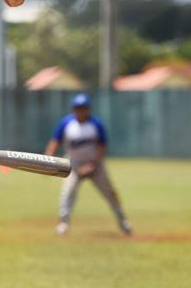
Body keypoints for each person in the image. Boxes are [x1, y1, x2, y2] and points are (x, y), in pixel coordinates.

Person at [44, 93, 132, 236]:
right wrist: (48, 160)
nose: (81, 111)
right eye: (78, 108)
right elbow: (55, 141)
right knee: (67, 192)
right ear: (73, 109)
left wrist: (94, 164)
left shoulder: (96, 124)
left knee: (110, 193)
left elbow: (102, 147)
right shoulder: (66, 123)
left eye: (83, 108)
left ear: (88, 109)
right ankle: (63, 223)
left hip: (95, 164)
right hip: (73, 165)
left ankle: (123, 221)